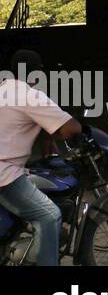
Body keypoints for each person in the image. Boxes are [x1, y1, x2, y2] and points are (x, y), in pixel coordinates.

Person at [0, 51, 82, 266]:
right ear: (37, 74)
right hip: (3, 174)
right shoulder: (31, 96)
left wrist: (48, 136)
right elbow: (70, 128)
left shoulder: (4, 90)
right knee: (48, 215)